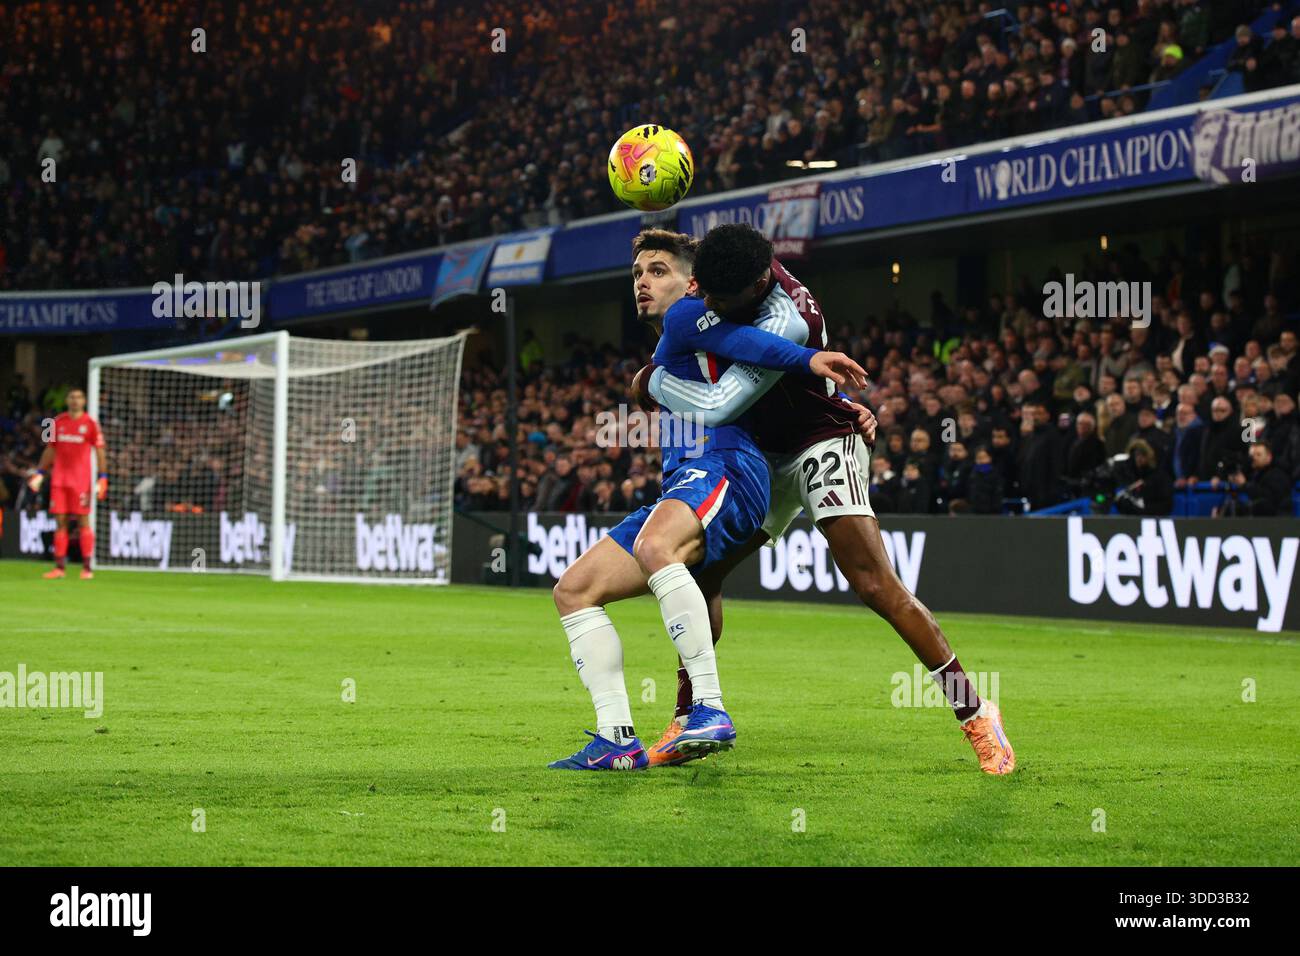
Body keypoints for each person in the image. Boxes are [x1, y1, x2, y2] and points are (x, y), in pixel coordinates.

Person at [645, 224, 1015, 775]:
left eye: (719, 299)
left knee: (874, 584)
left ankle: (976, 711)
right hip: (762, 458)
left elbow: (726, 393)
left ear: (755, 287)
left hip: (821, 443)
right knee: (702, 576)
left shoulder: (792, 317)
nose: (707, 303)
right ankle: (690, 717)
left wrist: (651, 382)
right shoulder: (726, 282)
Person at [547, 229, 866, 771]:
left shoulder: (686, 316)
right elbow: (745, 348)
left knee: (656, 549)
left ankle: (709, 708)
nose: (643, 283)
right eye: (637, 274)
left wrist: (809, 361)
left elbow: (751, 348)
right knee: (574, 590)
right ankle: (617, 740)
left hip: (724, 467)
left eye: (658, 271)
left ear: (692, 281)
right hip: (685, 482)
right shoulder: (684, 333)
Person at [27, 388, 107, 579]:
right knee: (60, 522)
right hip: (59, 481)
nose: (75, 400)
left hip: (81, 482)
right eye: (72, 397)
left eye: (79, 397)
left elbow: (100, 451)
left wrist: (103, 476)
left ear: (84, 401)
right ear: (67, 400)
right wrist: (40, 472)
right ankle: (59, 568)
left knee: (83, 522)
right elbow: (49, 449)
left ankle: (87, 568)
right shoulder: (55, 422)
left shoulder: (91, 424)